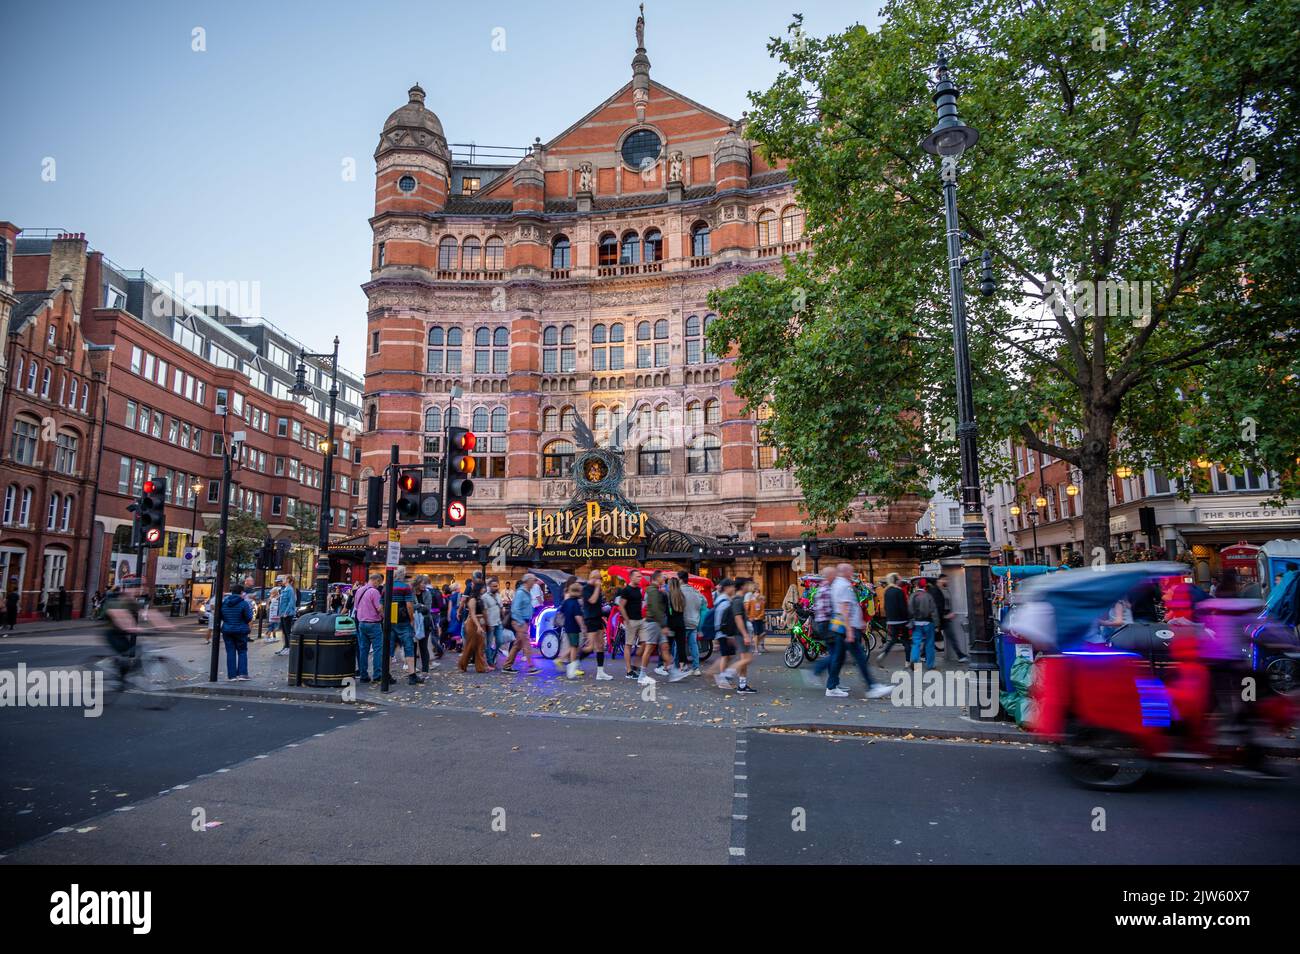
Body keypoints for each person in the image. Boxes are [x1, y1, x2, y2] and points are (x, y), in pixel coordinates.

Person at [827, 563, 893, 699]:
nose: (853, 575)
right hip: (847, 628)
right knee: (860, 657)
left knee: (839, 658)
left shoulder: (837, 585)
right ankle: (872, 687)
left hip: (842, 627)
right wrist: (850, 630)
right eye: (851, 572)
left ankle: (831, 687)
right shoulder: (844, 585)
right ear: (845, 572)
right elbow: (844, 608)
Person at [637, 570, 674, 684]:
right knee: (649, 649)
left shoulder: (656, 591)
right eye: (662, 577)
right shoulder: (652, 591)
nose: (664, 579)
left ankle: (673, 671)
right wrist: (663, 625)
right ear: (656, 578)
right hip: (654, 623)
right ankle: (642, 675)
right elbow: (655, 609)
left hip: (657, 623)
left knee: (665, 647)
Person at [390, 566, 423, 685]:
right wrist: (411, 619)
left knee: (390, 648)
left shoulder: (386, 587)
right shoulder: (405, 587)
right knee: (409, 647)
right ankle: (412, 675)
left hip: (390, 622)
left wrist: (386, 618)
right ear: (403, 574)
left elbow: (381, 607)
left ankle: (387, 675)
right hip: (403, 621)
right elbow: (409, 606)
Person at [503, 574, 541, 674]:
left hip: (524, 621)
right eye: (533, 580)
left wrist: (530, 617)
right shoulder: (521, 593)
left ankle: (507, 666)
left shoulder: (527, 592)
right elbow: (515, 609)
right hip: (520, 622)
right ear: (527, 581)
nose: (534, 582)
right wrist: (521, 623)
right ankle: (531, 666)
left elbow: (526, 607)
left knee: (517, 645)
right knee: (526, 643)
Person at [353, 572, 385, 683]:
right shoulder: (374, 592)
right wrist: (384, 617)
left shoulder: (359, 590)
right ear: (376, 580)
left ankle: (363, 675)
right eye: (379, 582)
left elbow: (356, 607)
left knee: (363, 650)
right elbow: (379, 608)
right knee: (377, 649)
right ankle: (377, 675)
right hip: (374, 624)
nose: (379, 585)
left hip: (361, 623)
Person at [219, 584, 254, 681]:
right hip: (240, 630)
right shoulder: (244, 603)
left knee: (230, 652)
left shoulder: (225, 602)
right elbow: (249, 617)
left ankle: (232, 676)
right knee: (242, 651)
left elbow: (221, 616)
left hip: (227, 630)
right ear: (241, 592)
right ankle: (242, 674)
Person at [458, 579, 493, 673]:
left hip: (480, 623)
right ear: (479, 588)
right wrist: (478, 626)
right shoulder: (472, 599)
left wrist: (487, 623)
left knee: (479, 645)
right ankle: (465, 665)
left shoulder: (480, 598)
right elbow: (472, 614)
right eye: (483, 587)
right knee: (471, 645)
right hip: (473, 624)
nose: (485, 589)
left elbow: (484, 612)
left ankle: (480, 666)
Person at [582, 569, 612, 680]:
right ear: (592, 578)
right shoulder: (586, 589)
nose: (600, 580)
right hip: (590, 619)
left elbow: (598, 604)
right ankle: (574, 661)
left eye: (600, 578)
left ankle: (600, 672)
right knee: (590, 647)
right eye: (598, 578)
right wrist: (598, 588)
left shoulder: (597, 589)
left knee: (600, 646)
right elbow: (592, 601)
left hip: (598, 618)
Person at [617, 570, 645, 679]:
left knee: (645, 643)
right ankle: (629, 671)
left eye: (640, 576)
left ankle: (635, 665)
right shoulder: (626, 590)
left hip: (640, 620)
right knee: (628, 645)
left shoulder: (639, 589)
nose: (640, 578)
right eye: (638, 576)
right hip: (631, 621)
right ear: (631, 577)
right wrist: (626, 619)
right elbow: (621, 606)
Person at [934, 573, 969, 664]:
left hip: (945, 617)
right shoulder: (935, 591)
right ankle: (960, 655)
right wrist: (944, 616)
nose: (947, 581)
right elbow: (936, 606)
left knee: (951, 637)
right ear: (939, 580)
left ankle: (960, 655)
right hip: (940, 617)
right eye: (945, 580)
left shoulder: (945, 590)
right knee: (931, 638)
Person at [878, 573, 911, 662]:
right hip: (901, 620)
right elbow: (903, 607)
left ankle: (883, 653)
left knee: (893, 639)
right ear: (896, 581)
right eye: (899, 579)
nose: (901, 581)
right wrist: (908, 618)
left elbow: (885, 607)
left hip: (891, 620)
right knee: (906, 641)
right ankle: (908, 662)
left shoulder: (887, 591)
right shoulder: (899, 591)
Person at [908, 577, 939, 670]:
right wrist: (937, 624)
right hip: (928, 623)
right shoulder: (928, 596)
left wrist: (911, 619)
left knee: (916, 644)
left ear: (917, 586)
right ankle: (930, 665)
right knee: (929, 644)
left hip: (916, 623)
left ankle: (915, 663)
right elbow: (934, 611)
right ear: (925, 586)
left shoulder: (912, 596)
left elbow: (909, 610)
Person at [558, 578, 586, 679]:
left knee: (572, 646)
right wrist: (583, 626)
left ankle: (562, 660)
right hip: (574, 628)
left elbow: (561, 612)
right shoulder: (575, 603)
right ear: (578, 592)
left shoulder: (566, 601)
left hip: (567, 626)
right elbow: (577, 616)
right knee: (574, 647)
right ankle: (571, 667)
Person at [664, 574, 690, 681]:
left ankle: (666, 666)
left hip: (670, 624)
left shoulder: (667, 596)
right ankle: (682, 666)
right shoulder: (681, 595)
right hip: (680, 623)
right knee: (681, 646)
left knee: (668, 645)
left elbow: (666, 611)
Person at [678, 570, 704, 676]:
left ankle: (679, 667)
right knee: (694, 645)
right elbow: (702, 603)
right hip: (694, 621)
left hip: (683, 621)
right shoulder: (695, 591)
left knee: (678, 645)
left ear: (680, 579)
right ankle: (696, 668)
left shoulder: (678, 591)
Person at [482, 576, 507, 667]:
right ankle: (490, 661)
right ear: (489, 586)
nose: (496, 588)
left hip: (498, 622)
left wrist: (503, 614)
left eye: (497, 586)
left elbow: (500, 607)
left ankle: (493, 655)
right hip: (490, 623)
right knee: (488, 643)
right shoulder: (484, 597)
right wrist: (487, 623)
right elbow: (484, 611)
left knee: (500, 641)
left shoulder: (498, 595)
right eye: (494, 586)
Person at [275, 577, 297, 656]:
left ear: (288, 580)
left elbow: (291, 602)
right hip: (282, 613)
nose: (282, 580)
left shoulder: (290, 589)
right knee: (284, 631)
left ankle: (289, 648)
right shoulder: (285, 589)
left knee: (287, 631)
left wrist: (286, 612)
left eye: (284, 579)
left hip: (286, 614)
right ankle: (286, 647)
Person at [745, 584, 768, 653]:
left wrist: (759, 617)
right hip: (753, 620)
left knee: (763, 633)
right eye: (755, 592)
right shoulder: (751, 601)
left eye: (758, 592)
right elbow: (747, 610)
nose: (757, 594)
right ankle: (756, 649)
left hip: (759, 620)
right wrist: (749, 617)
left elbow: (763, 611)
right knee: (756, 634)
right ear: (753, 594)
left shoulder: (761, 602)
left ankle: (755, 644)